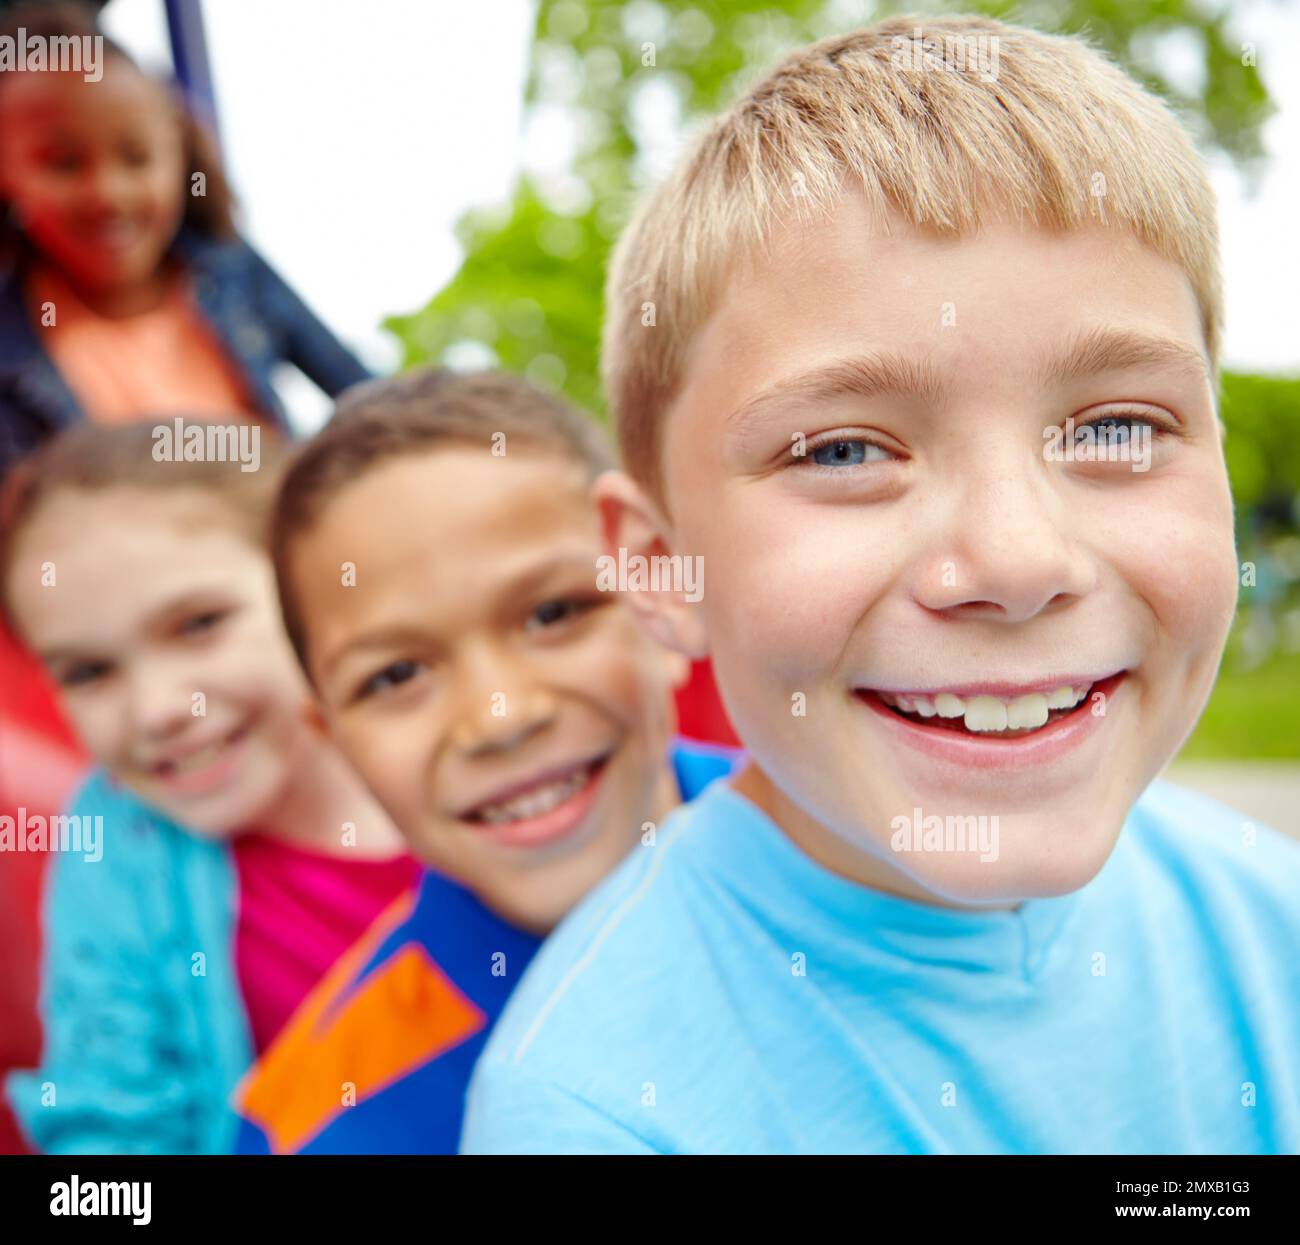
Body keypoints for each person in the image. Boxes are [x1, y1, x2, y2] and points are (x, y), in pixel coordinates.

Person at [461, 14, 1300, 1154]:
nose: (1014, 562)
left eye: (1113, 426)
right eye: (845, 451)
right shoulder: (594, 1111)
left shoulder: (1271, 915)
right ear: (660, 566)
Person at [233, 368, 739, 1153]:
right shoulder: (323, 1123)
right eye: (396, 675)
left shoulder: (886, 851)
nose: (499, 718)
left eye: (553, 612)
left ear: (662, 597)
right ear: (335, 743)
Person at [0, 422, 413, 1153]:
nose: (158, 708)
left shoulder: (451, 750)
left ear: (312, 581)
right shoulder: (121, 847)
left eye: (198, 624)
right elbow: (111, 1131)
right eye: (88, 672)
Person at [0, 2, 368, 476]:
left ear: (179, 157)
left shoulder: (234, 271)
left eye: (136, 157)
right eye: (63, 163)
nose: (109, 194)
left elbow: (365, 396)